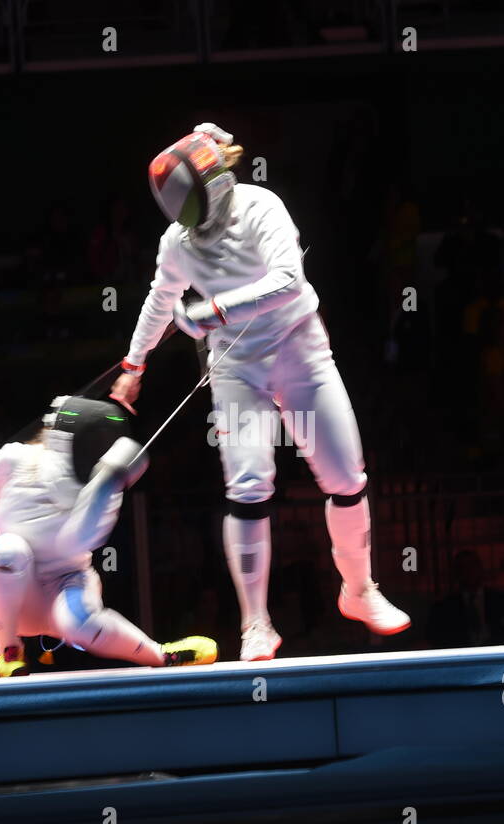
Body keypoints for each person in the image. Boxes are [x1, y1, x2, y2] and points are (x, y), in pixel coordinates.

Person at [110, 122, 410, 661]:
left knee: (345, 476)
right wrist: (135, 363)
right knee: (249, 486)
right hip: (238, 368)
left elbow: (289, 281)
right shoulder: (177, 243)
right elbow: (161, 298)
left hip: (299, 353)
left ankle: (359, 591)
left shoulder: (262, 207)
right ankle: (256, 624)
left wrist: (215, 310)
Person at [0, 396, 217, 676]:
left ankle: (161, 656)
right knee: (8, 551)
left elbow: (76, 542)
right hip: (15, 591)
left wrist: (106, 483)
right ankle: (9, 651)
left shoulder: (103, 485)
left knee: (82, 624)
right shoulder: (15, 458)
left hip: (68, 586)